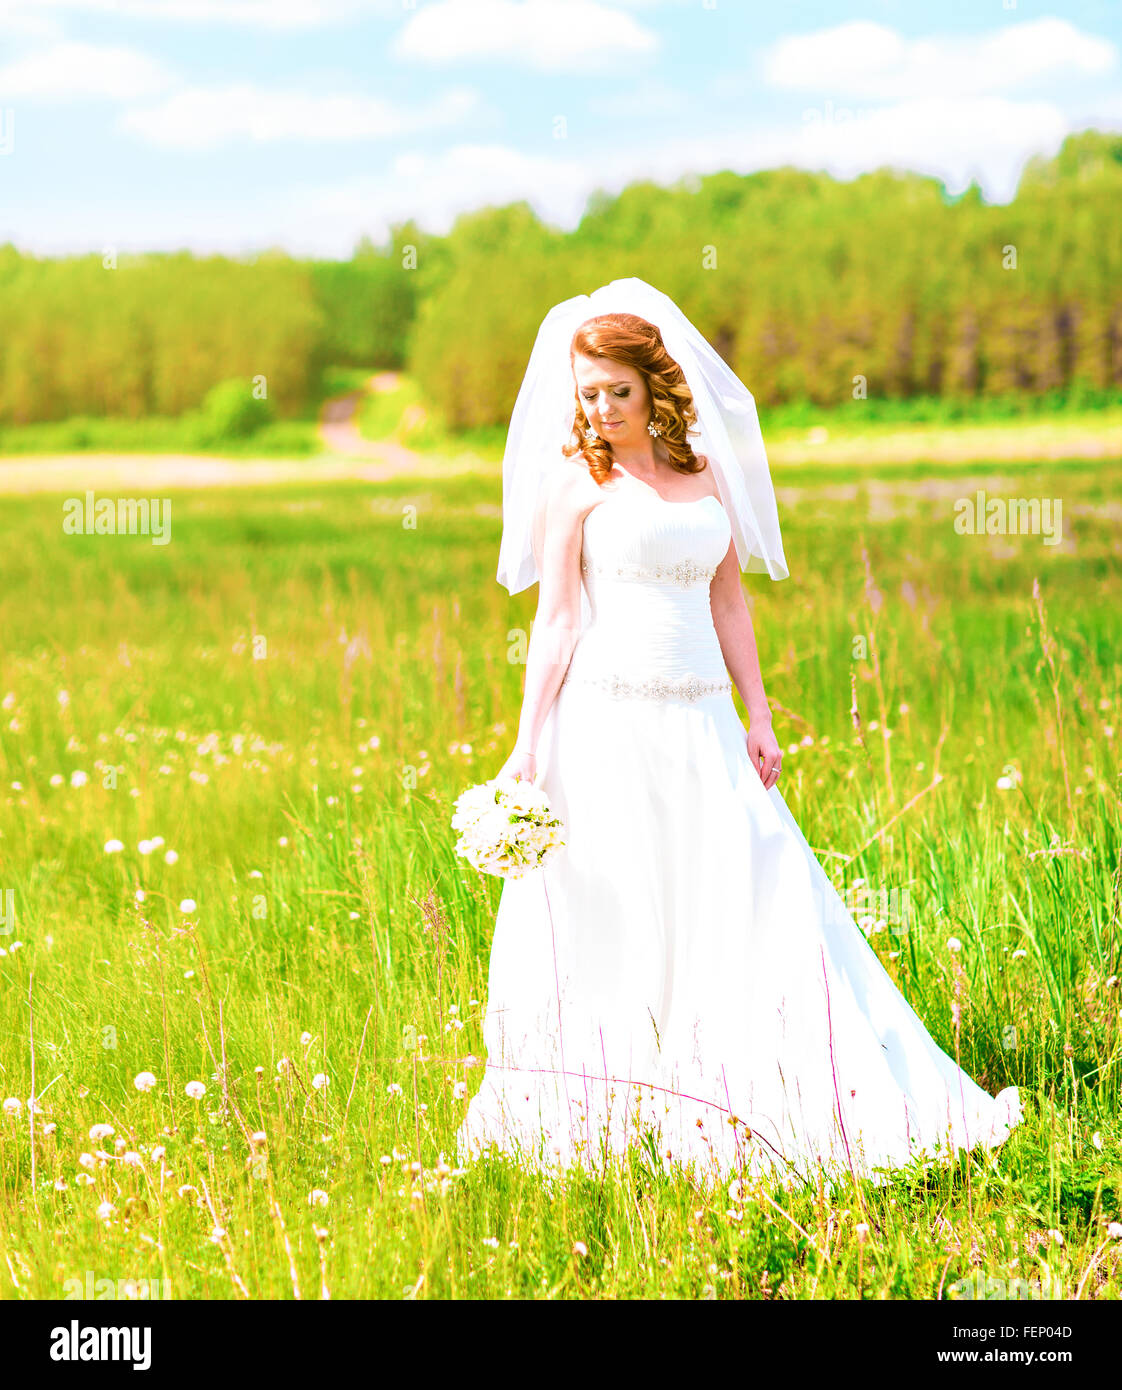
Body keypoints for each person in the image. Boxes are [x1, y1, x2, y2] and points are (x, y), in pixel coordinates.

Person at [456, 278, 1021, 1190]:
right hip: (603, 725)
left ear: (655, 387)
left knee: (748, 883)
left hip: (703, 721)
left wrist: (758, 713)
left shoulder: (703, 473)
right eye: (587, 394)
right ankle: (615, 1099)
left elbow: (728, 596)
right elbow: (556, 623)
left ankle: (770, 1083)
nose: (601, 410)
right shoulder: (575, 487)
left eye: (618, 392)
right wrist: (526, 749)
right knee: (619, 909)